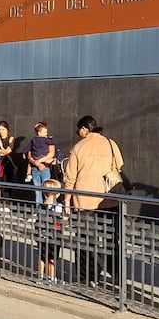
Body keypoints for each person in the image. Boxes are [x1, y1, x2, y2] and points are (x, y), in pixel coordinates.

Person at [63, 116, 124, 286]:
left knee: (85, 239)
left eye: (78, 130)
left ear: (84, 129)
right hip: (109, 200)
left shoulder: (78, 147)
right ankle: (117, 276)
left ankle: (87, 277)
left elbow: (70, 178)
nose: (78, 133)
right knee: (112, 239)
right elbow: (120, 167)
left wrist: (67, 200)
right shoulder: (111, 143)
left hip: (85, 201)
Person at [38, 179, 65, 284]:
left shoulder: (42, 205)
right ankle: (51, 276)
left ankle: (40, 275)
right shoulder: (57, 206)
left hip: (43, 233)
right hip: (54, 234)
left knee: (43, 256)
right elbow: (61, 218)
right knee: (52, 257)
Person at [27, 122, 57, 188]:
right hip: (35, 167)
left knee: (46, 189)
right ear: (39, 133)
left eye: (46, 132)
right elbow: (29, 155)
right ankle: (28, 174)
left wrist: (38, 161)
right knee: (38, 190)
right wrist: (36, 163)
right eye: (45, 132)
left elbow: (51, 154)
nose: (46, 134)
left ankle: (28, 174)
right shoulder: (34, 141)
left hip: (45, 167)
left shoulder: (48, 140)